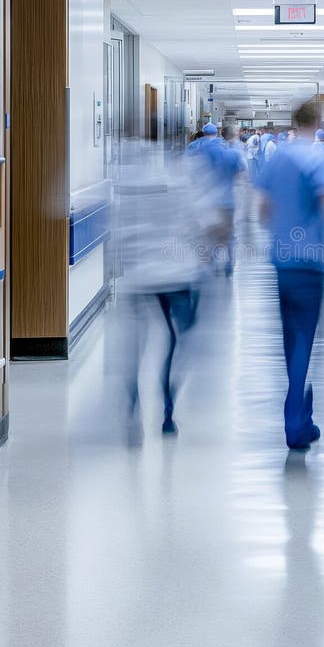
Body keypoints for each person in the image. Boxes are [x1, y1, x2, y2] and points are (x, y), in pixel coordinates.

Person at [257, 100, 324, 450]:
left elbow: (264, 208)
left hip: (283, 261)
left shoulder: (278, 156)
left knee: (290, 340)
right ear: (320, 123)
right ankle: (295, 421)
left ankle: (303, 416)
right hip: (310, 264)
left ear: (293, 121)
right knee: (306, 342)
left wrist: (281, 233)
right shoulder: (315, 158)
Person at [111, 144, 213, 442]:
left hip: (139, 275)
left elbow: (117, 227)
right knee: (178, 339)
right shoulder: (180, 177)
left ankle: (132, 409)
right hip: (177, 273)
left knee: (134, 345)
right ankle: (168, 409)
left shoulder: (127, 179)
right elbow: (198, 223)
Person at [191, 122, 244, 275]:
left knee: (208, 235)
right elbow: (240, 174)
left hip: (205, 202)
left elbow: (189, 175)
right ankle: (229, 265)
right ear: (218, 132)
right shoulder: (230, 151)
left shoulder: (195, 149)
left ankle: (210, 266)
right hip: (227, 201)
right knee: (228, 234)